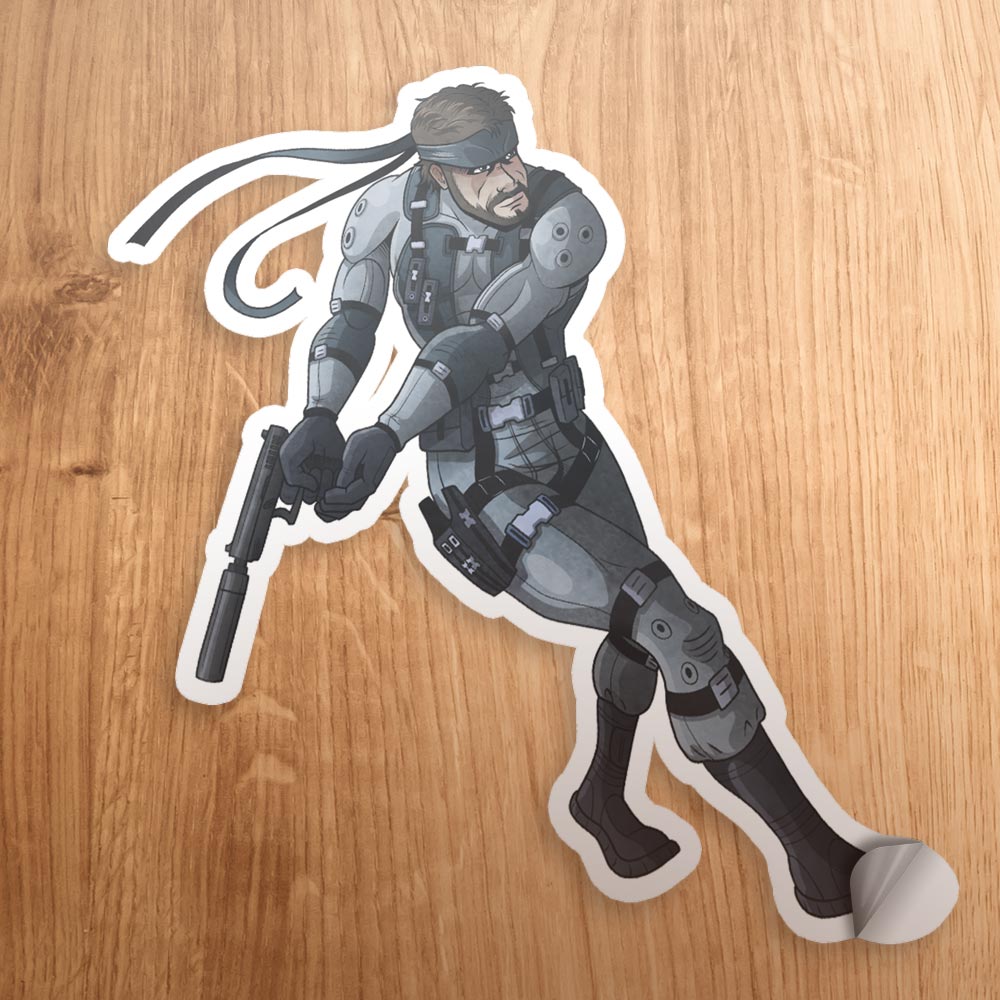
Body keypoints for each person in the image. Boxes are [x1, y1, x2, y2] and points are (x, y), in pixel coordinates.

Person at [276, 84, 863, 917]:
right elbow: (350, 318)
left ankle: (602, 802)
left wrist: (386, 433)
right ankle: (822, 864)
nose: (509, 177)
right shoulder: (384, 213)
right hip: (479, 479)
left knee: (640, 629)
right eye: (483, 169)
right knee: (677, 628)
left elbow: (483, 338)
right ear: (437, 173)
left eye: (510, 154)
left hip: (572, 453)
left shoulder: (565, 216)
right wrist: (319, 416)